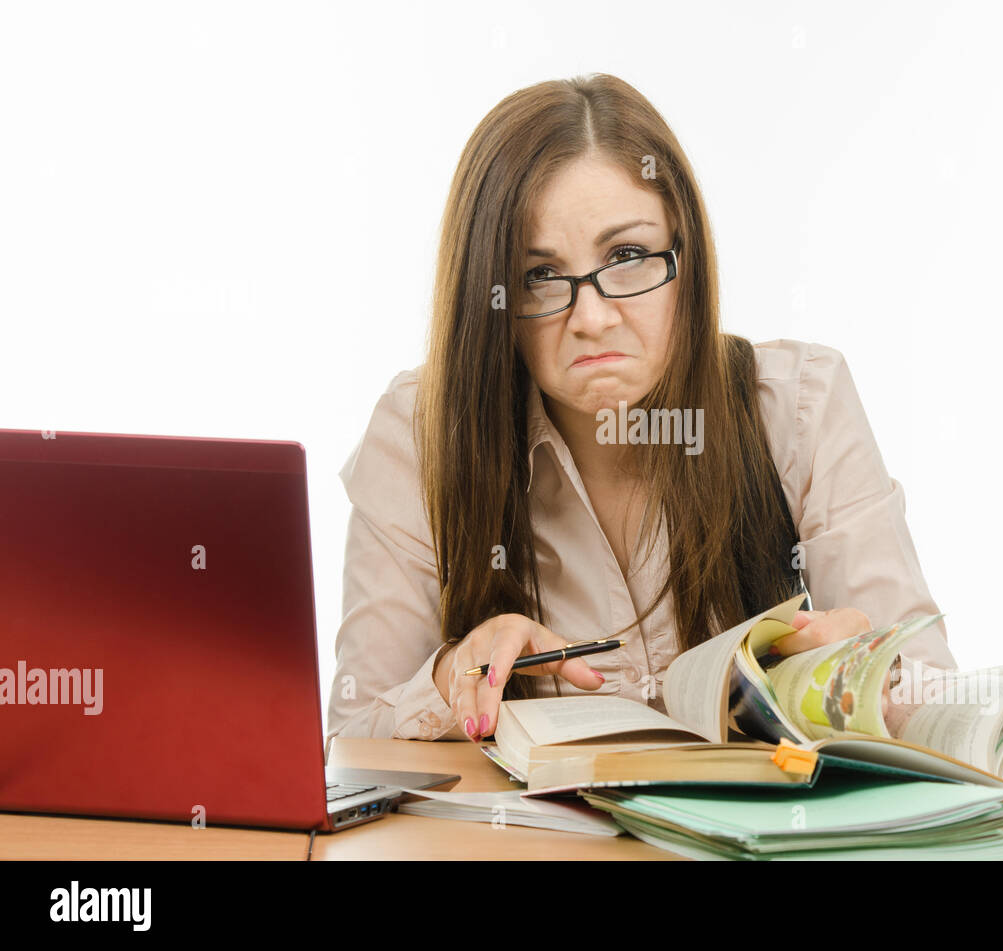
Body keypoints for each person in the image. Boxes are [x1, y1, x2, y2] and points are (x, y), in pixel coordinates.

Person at [326, 73, 955, 752]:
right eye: (540, 274)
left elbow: (939, 703)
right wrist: (451, 677)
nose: (591, 317)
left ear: (684, 256)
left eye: (626, 256)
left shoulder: (798, 405)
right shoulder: (420, 435)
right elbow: (353, 740)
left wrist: (862, 680)